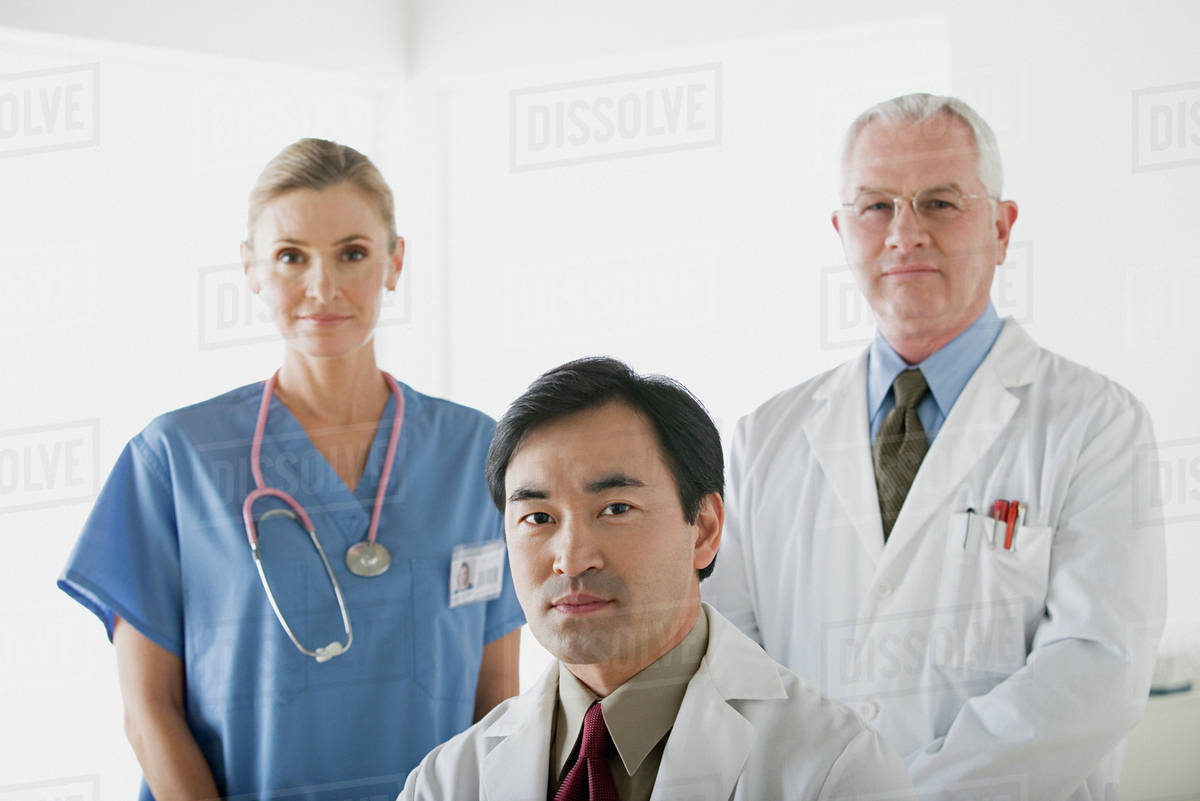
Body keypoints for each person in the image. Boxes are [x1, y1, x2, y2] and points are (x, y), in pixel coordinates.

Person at [702, 93, 1166, 800]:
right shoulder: (764, 438)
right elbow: (731, 663)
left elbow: (1095, 670)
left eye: (941, 202)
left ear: (1003, 228)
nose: (904, 234)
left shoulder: (1096, 423)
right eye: (876, 206)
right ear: (841, 229)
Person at [57, 138, 524, 800]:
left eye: (353, 253)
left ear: (395, 262)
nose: (323, 286)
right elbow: (147, 712)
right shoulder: (175, 459)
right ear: (250, 269)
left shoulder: (473, 451)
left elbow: (495, 698)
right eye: (290, 257)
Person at [400, 357, 917, 801]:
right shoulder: (449, 781)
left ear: (705, 530)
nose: (571, 559)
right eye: (538, 518)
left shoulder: (834, 770)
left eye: (615, 508)